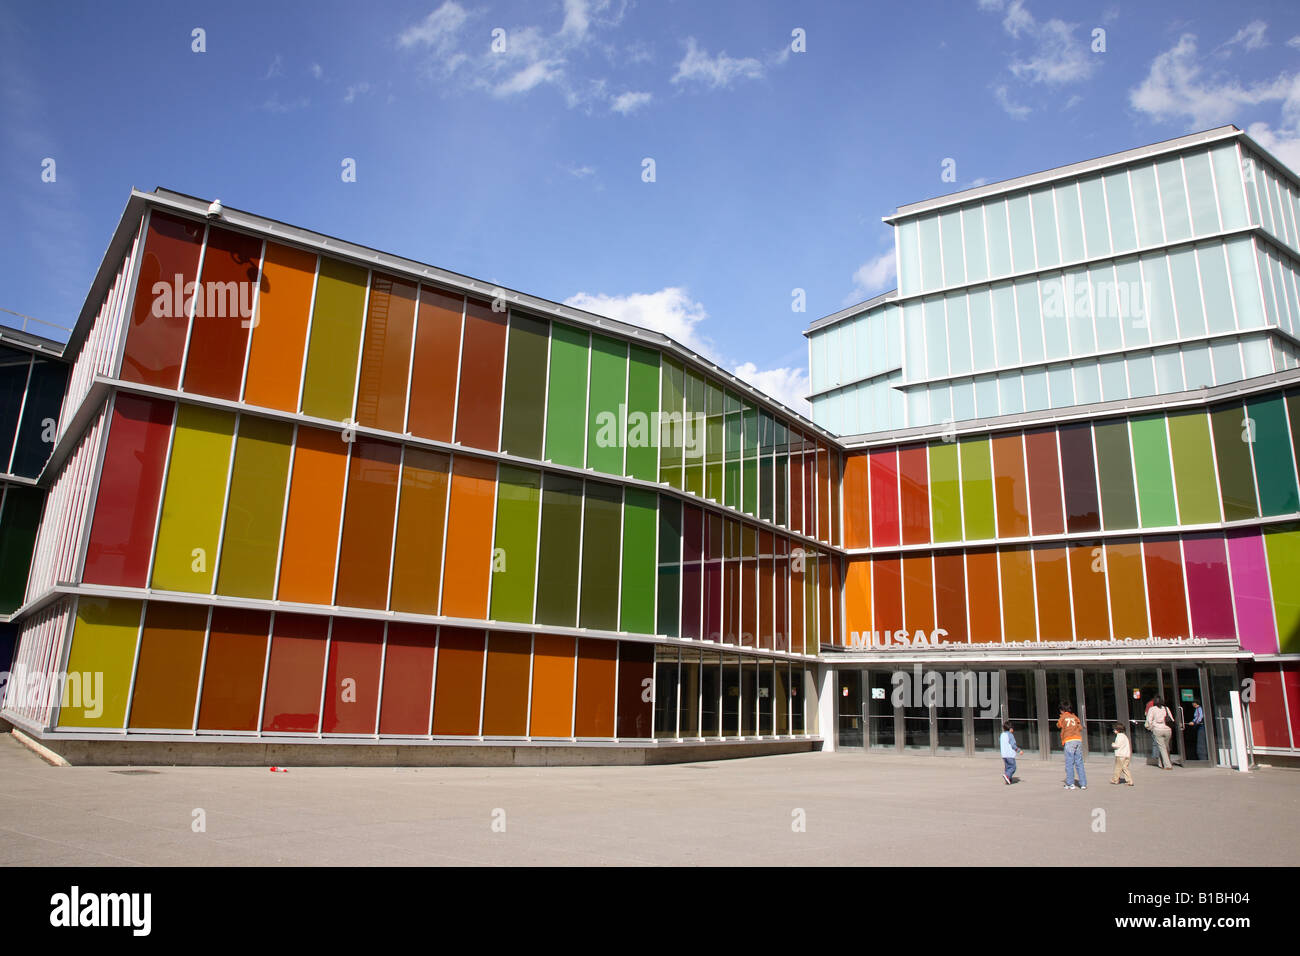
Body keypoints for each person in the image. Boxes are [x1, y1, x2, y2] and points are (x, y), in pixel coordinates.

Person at [1057, 701, 1087, 790]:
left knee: (1069, 762)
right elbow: (1080, 727)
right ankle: (1083, 784)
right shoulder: (1074, 717)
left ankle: (1070, 783)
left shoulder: (1063, 717)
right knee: (1079, 762)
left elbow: (1059, 725)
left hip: (1069, 740)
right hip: (1078, 739)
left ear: (1062, 710)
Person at [1146, 696, 1174, 769]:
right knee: (1166, 747)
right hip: (1167, 729)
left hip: (1158, 729)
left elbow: (1149, 720)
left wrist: (1151, 728)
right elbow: (1171, 719)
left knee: (1162, 748)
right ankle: (1161, 763)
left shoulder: (1152, 709)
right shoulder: (1166, 708)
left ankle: (1168, 765)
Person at [1109, 721, 1134, 786]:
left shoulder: (1119, 736)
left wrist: (1113, 744)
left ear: (1118, 730)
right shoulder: (1125, 736)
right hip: (1126, 755)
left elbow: (1118, 745)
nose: (1114, 730)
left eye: (1114, 729)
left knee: (1118, 768)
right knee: (1125, 768)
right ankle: (1129, 781)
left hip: (1120, 755)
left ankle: (1115, 780)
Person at [1000, 720, 1023, 785]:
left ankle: (1008, 780)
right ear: (1010, 729)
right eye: (1012, 728)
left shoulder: (1002, 734)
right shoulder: (1010, 735)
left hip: (1004, 754)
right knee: (1013, 767)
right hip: (1009, 754)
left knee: (1007, 767)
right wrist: (1019, 750)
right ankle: (1007, 775)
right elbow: (1013, 745)